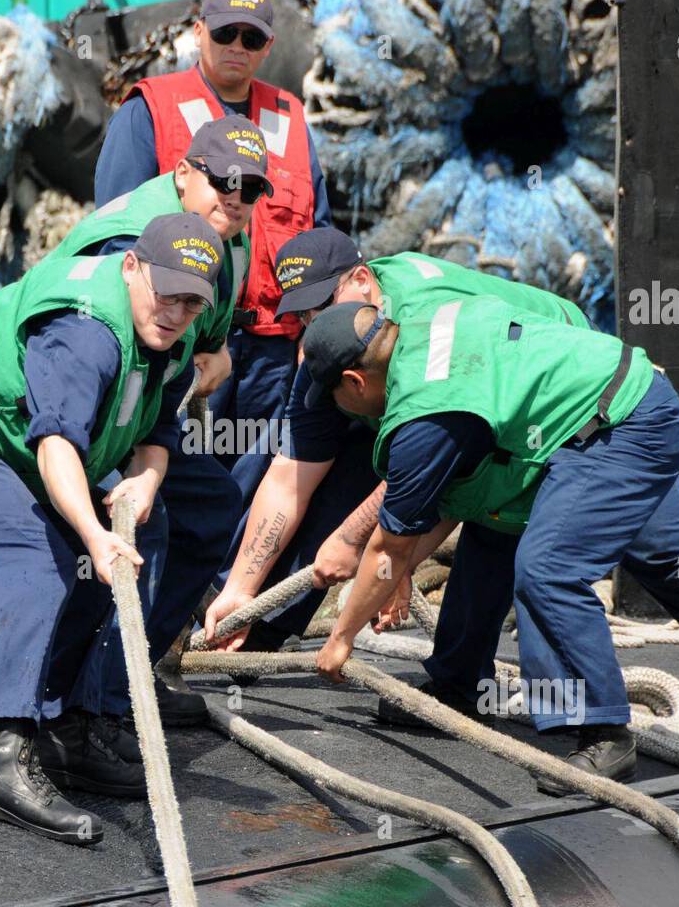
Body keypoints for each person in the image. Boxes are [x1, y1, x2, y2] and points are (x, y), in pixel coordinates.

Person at [301, 294, 679, 792]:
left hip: (622, 424)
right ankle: (458, 685)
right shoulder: (423, 323)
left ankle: (604, 734)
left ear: (354, 380)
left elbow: (388, 549)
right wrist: (402, 571)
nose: (343, 410)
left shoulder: (425, 415)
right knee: (502, 532)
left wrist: (340, 639)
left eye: (335, 397)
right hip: (602, 408)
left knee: (550, 567)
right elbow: (444, 505)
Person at [0, 213, 224, 844]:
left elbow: (158, 436)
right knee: (35, 563)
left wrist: (146, 483)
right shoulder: (86, 334)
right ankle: (1, 761)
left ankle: (72, 726)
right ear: (131, 268)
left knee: (141, 534)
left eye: (193, 302)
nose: (176, 312)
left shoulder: (174, 340)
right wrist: (92, 530)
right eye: (167, 294)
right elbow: (56, 442)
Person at [205, 229, 590, 669]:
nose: (314, 323)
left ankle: (466, 684)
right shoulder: (335, 340)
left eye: (324, 305)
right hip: (442, 401)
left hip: (544, 374)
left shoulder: (424, 326)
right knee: (340, 467)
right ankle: (260, 626)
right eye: (304, 315)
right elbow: (292, 473)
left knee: (497, 525)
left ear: (363, 281)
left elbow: (431, 468)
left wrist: (389, 561)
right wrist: (241, 589)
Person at [48, 115, 273, 724]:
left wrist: (217, 357)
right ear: (182, 174)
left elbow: (210, 338)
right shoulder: (134, 243)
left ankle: (137, 668)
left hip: (151, 397)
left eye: (251, 187)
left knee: (213, 511)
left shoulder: (228, 230)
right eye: (223, 179)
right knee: (145, 532)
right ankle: (92, 710)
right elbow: (91, 352)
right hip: (87, 401)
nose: (236, 195)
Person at [94, 0, 332, 498]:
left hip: (272, 351)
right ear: (198, 31)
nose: (236, 48)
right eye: (225, 33)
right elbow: (114, 237)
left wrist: (314, 333)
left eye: (251, 38)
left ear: (268, 46)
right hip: (188, 340)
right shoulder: (149, 110)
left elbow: (319, 230)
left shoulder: (290, 118)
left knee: (252, 487)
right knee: (175, 480)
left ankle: (229, 582)